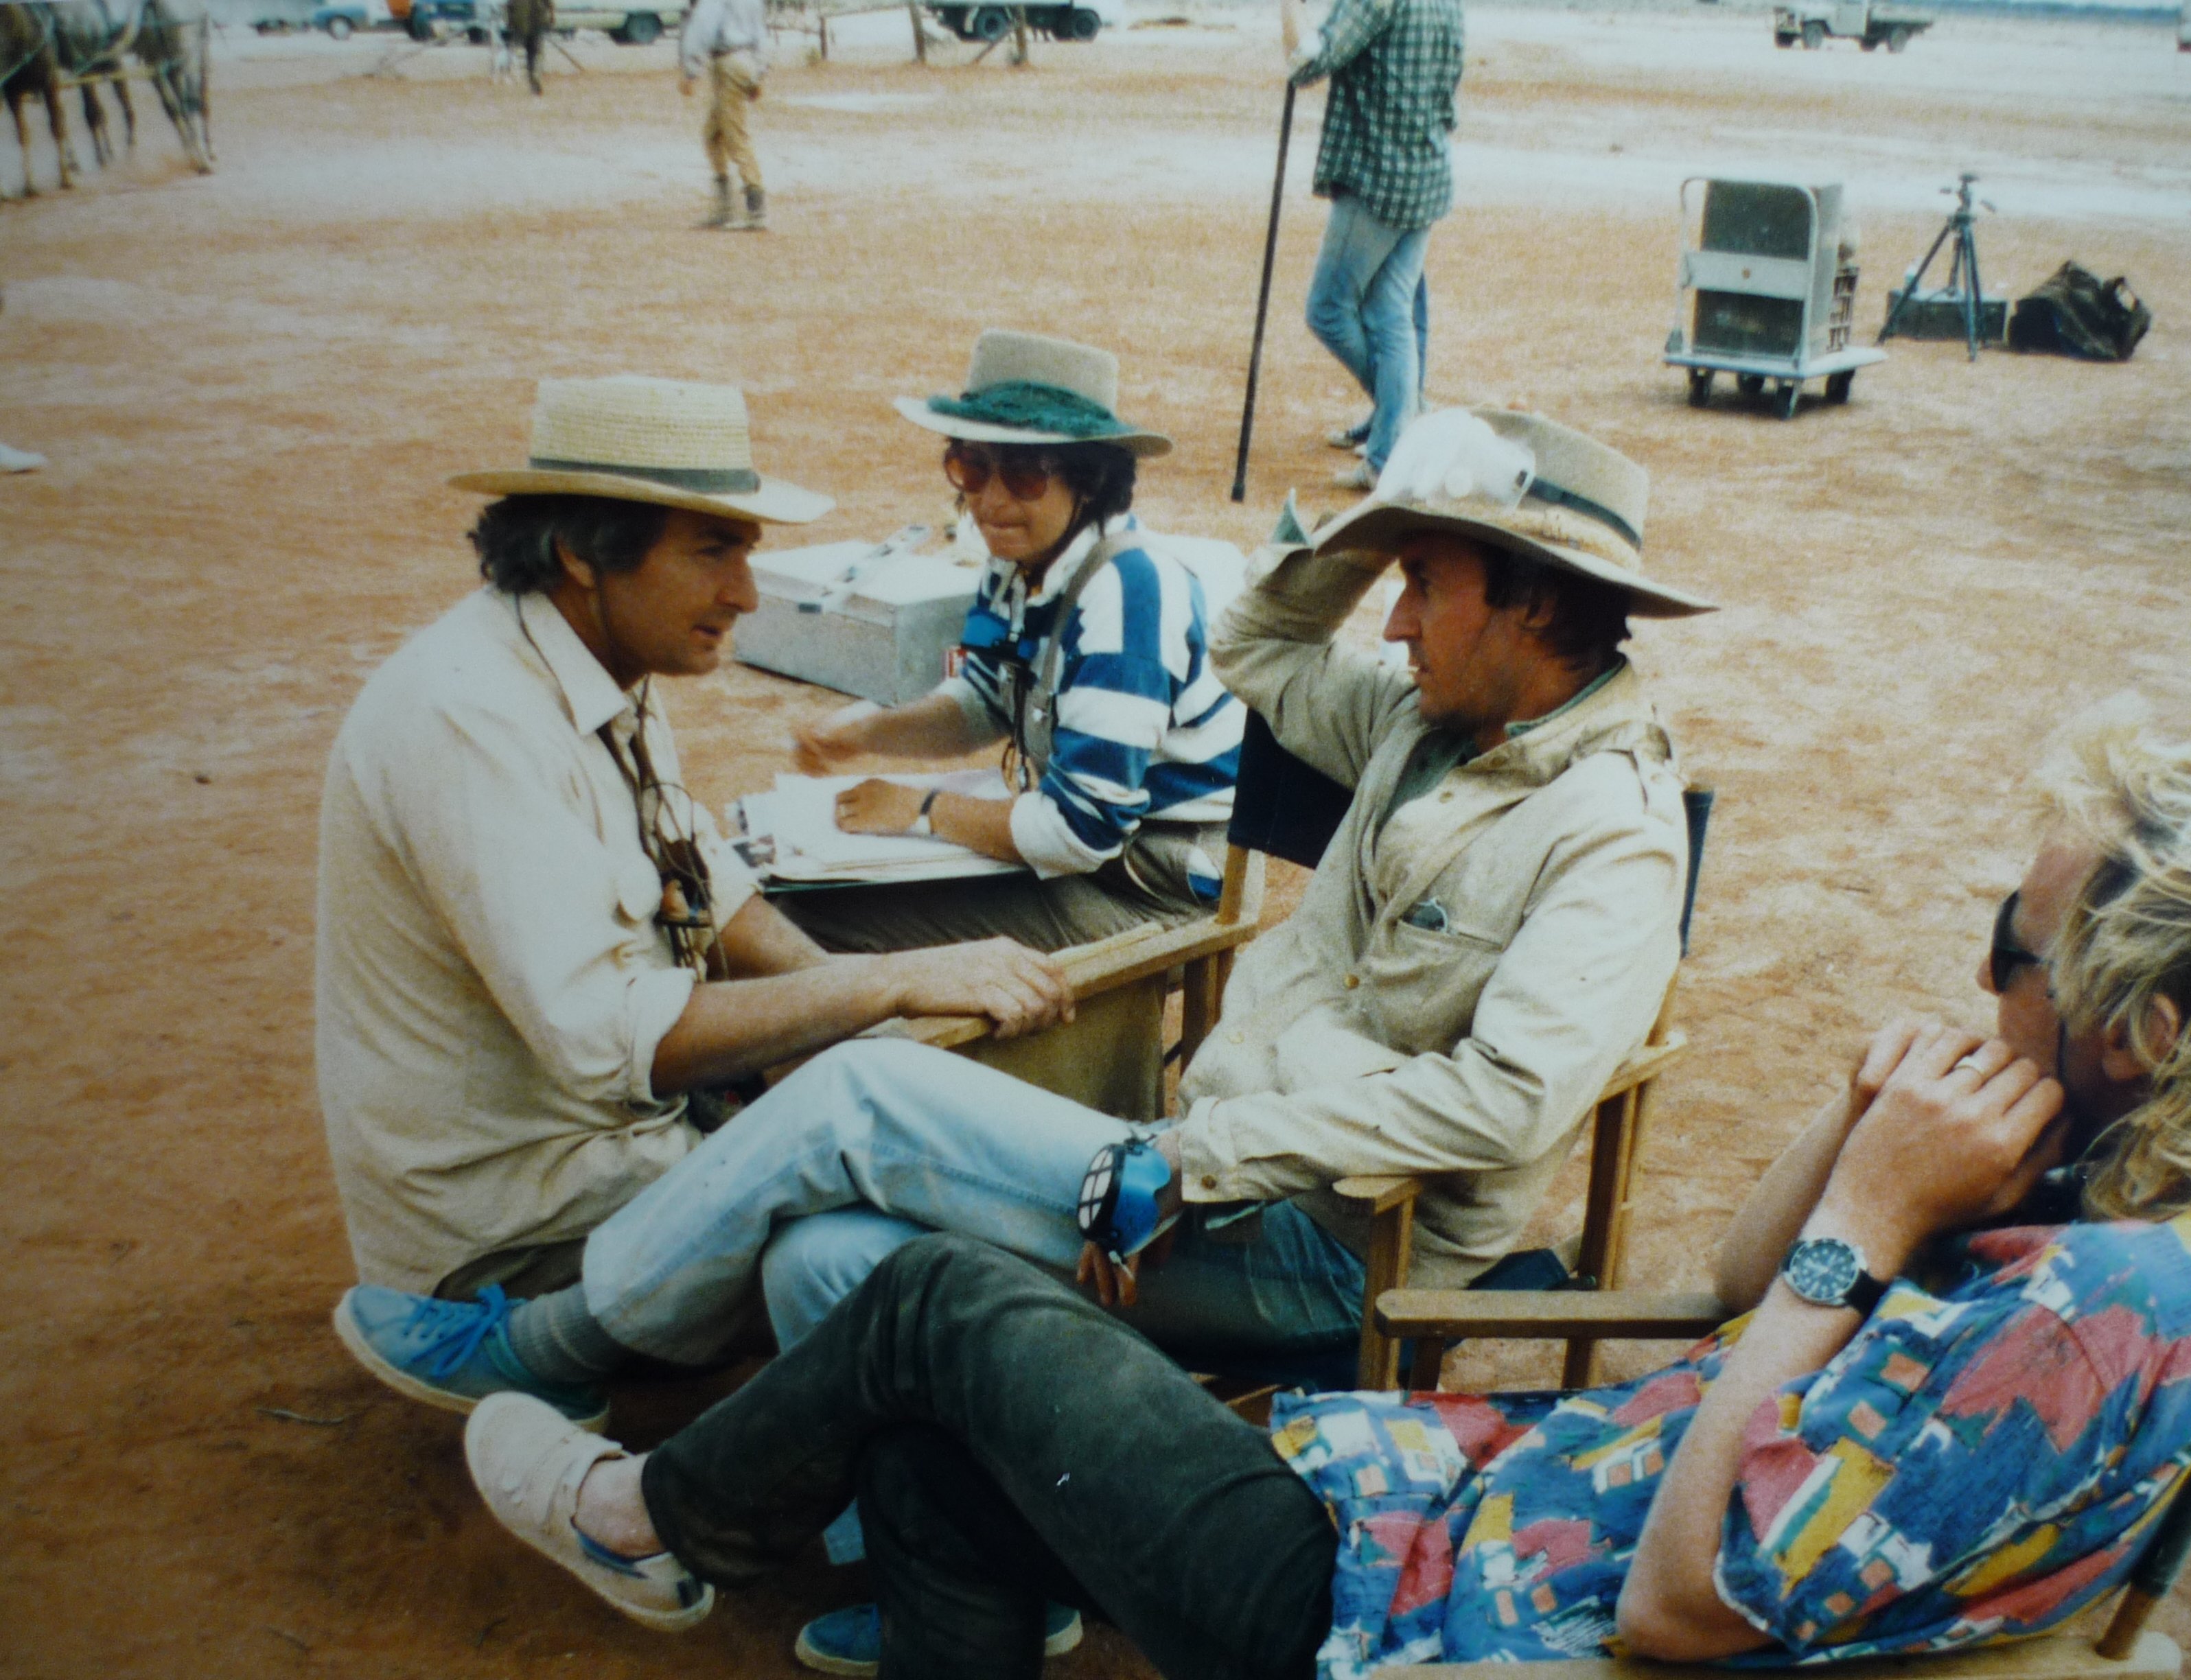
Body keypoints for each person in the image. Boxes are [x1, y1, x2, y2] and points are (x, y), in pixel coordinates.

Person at [458, 702, 2191, 1679]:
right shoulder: (2078, 1189)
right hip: (1431, 1506)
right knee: (937, 1434)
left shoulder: (2121, 1324)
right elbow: (1727, 1282)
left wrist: (1867, 1234)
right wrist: (1864, 1147)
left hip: (1417, 1610)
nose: (1982, 962)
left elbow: (1682, 1611)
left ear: (2141, 1027)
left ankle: (657, 1522)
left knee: (929, 1304)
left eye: (2013, 945)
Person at [338, 404, 1713, 1660]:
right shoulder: (1427, 725)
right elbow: (1255, 647)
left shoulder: (1612, 834)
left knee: (860, 1097)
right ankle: (985, 1568)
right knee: (831, 1254)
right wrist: (1370, 532)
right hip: (1206, 1162)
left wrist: (1195, 1158)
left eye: (1425, 584)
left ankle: (558, 1348)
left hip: (1327, 1229)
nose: (1397, 625)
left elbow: (1505, 1103)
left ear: (1531, 604)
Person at [318, 375, 1072, 1421]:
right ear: (583, 553)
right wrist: (881, 989)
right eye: (712, 551)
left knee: (904, 1183)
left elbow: (704, 886)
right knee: (894, 1247)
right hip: (516, 1239)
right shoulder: (469, 719)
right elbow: (612, 1038)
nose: (748, 593)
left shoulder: (598, 661)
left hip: (626, 1160)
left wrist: (842, 1008)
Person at [782, 328, 1244, 955]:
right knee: (797, 903)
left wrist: (924, 812)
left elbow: (1083, 830)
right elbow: (984, 702)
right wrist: (868, 733)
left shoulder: (1129, 593)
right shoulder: (1018, 560)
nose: (988, 502)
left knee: (815, 925)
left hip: (1153, 878)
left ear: (1088, 480)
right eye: (972, 468)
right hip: (1094, 845)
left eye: (1024, 475)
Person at [1279, 0, 1464, 491]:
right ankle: (1388, 449)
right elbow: (1450, 92)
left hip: (1378, 179)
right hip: (1427, 171)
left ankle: (1400, 420)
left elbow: (1306, 63)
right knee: (1390, 311)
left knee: (1328, 309)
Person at [678, 0, 769, 231]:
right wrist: (759, 71)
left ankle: (755, 210)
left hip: (728, 64)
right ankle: (725, 208)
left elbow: (702, 28)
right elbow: (760, 31)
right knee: (713, 135)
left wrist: (691, 70)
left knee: (735, 137)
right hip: (745, 61)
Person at [506, 0, 550, 93]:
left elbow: (509, 6)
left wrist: (510, 22)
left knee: (530, 53)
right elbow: (548, 4)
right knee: (535, 52)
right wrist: (550, 16)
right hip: (536, 21)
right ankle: (534, 76)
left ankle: (532, 76)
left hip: (523, 22)